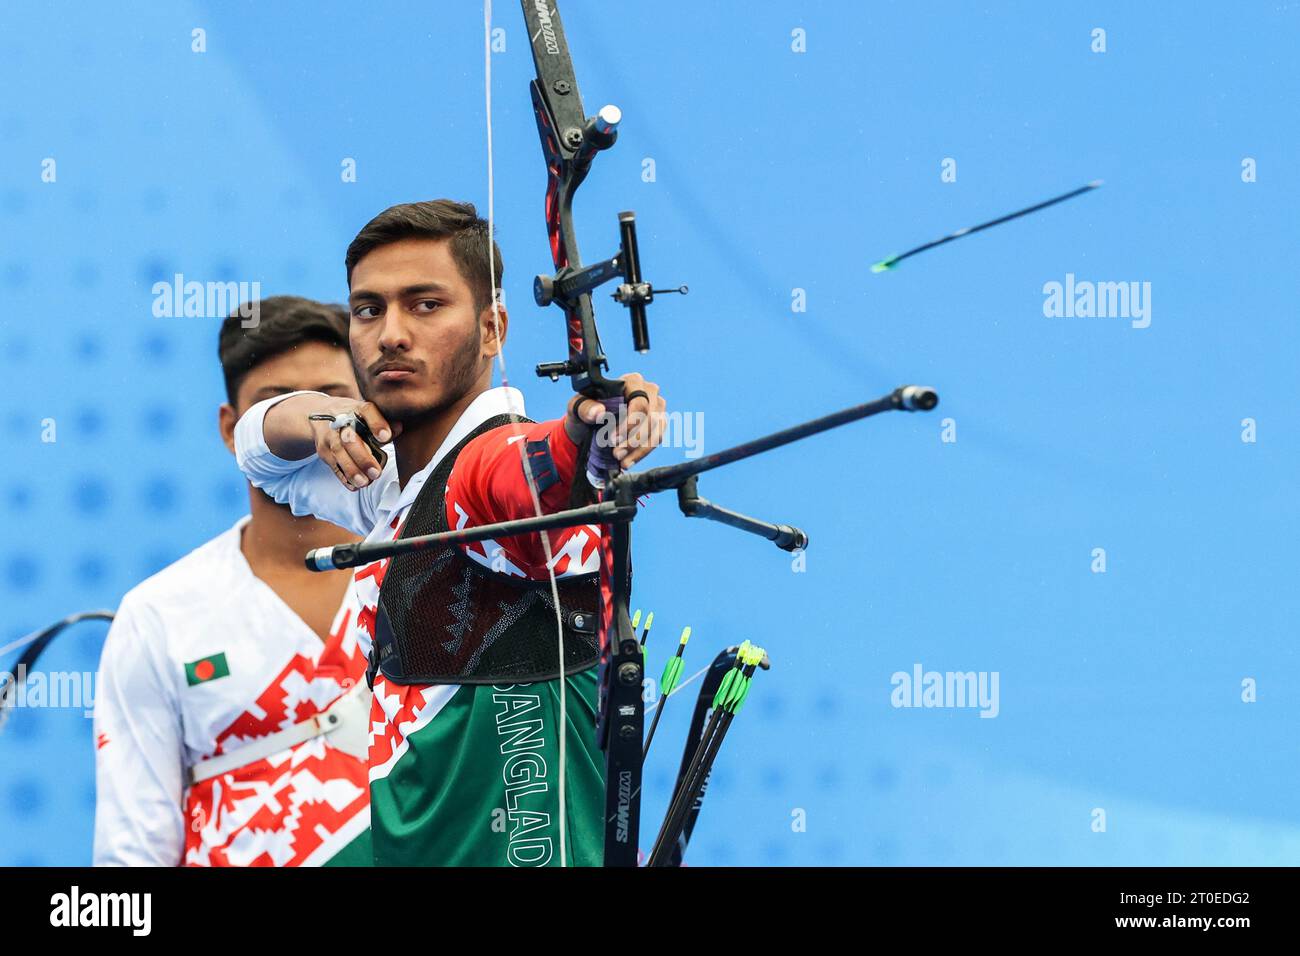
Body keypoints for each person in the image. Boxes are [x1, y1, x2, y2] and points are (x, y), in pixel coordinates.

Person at [234, 199, 666, 865]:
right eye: (370, 309)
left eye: (426, 304)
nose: (391, 334)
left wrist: (585, 433)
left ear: (493, 328)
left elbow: (519, 480)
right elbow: (258, 447)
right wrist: (321, 412)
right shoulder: (386, 482)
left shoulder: (485, 466)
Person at [93, 297, 374, 866]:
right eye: (278, 406)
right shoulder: (158, 615)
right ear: (232, 429)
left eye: (332, 401)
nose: (309, 428)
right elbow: (132, 852)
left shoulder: (429, 569)